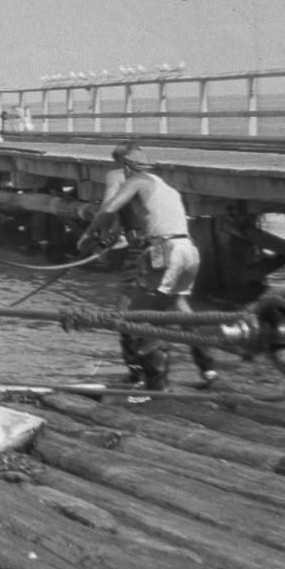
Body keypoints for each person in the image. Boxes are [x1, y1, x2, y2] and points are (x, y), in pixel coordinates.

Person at [78, 143, 216, 392]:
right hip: (187, 249)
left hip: (162, 249)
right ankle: (206, 364)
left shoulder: (132, 179)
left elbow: (109, 208)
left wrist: (88, 235)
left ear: (128, 166)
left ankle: (154, 384)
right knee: (176, 307)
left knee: (134, 316)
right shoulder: (167, 187)